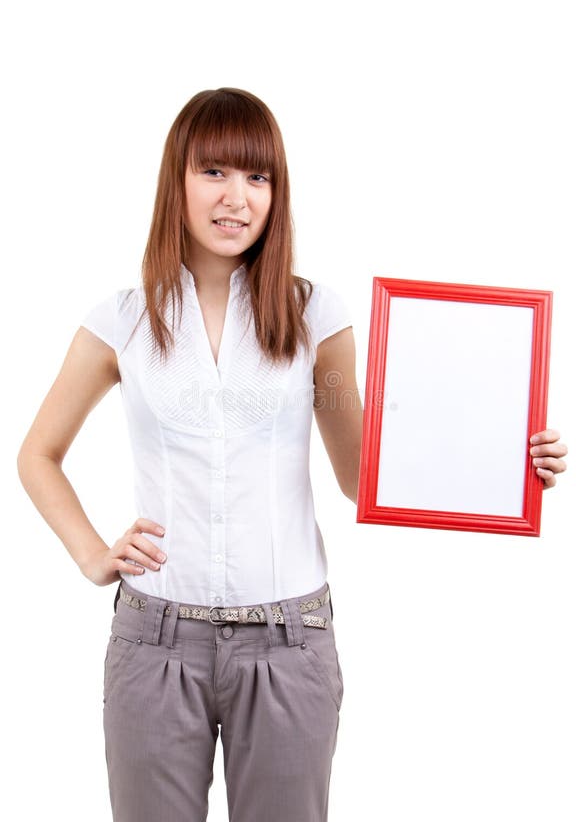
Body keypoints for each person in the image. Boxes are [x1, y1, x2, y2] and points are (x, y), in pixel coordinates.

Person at [16, 88, 568, 822]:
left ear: (277, 193)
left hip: (288, 643)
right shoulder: (121, 320)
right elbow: (38, 453)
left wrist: (510, 460)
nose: (236, 198)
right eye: (213, 172)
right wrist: (91, 555)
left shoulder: (315, 316)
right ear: (174, 179)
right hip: (153, 643)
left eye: (258, 177)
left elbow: (359, 474)